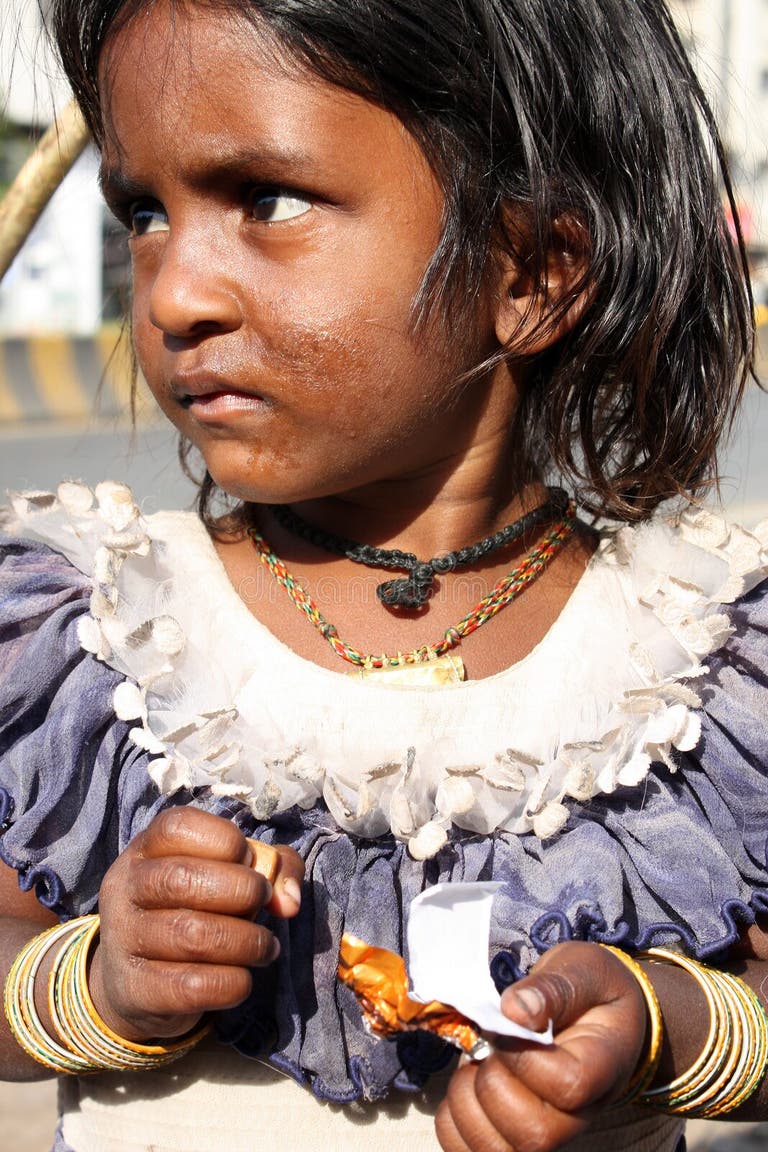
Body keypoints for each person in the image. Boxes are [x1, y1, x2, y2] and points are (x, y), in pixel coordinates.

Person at [1, 0, 767, 1149]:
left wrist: (664, 1024)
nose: (172, 297)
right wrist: (98, 980)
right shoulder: (98, 639)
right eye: (144, 213)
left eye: (266, 200)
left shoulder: (703, 661)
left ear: (534, 272)